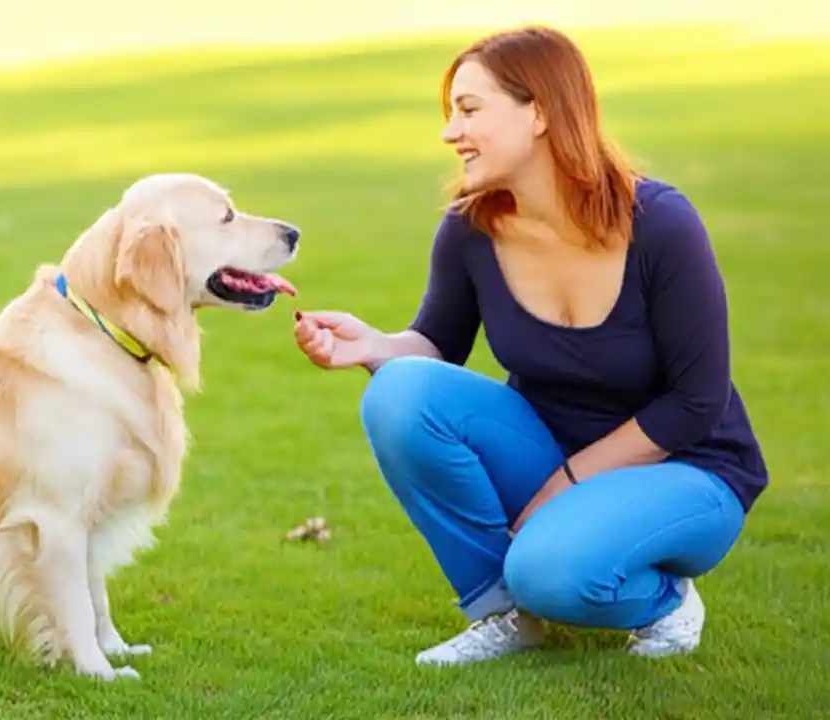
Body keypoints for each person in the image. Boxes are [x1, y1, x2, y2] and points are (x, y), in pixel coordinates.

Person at [292, 25, 767, 666]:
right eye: (450, 113)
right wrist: (374, 347)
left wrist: (563, 487)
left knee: (549, 570)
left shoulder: (661, 226)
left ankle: (663, 600)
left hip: (687, 470)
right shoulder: (471, 230)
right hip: (551, 455)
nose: (449, 132)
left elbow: (696, 403)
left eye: (469, 110)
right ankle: (506, 612)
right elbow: (437, 347)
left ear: (539, 111)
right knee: (398, 393)